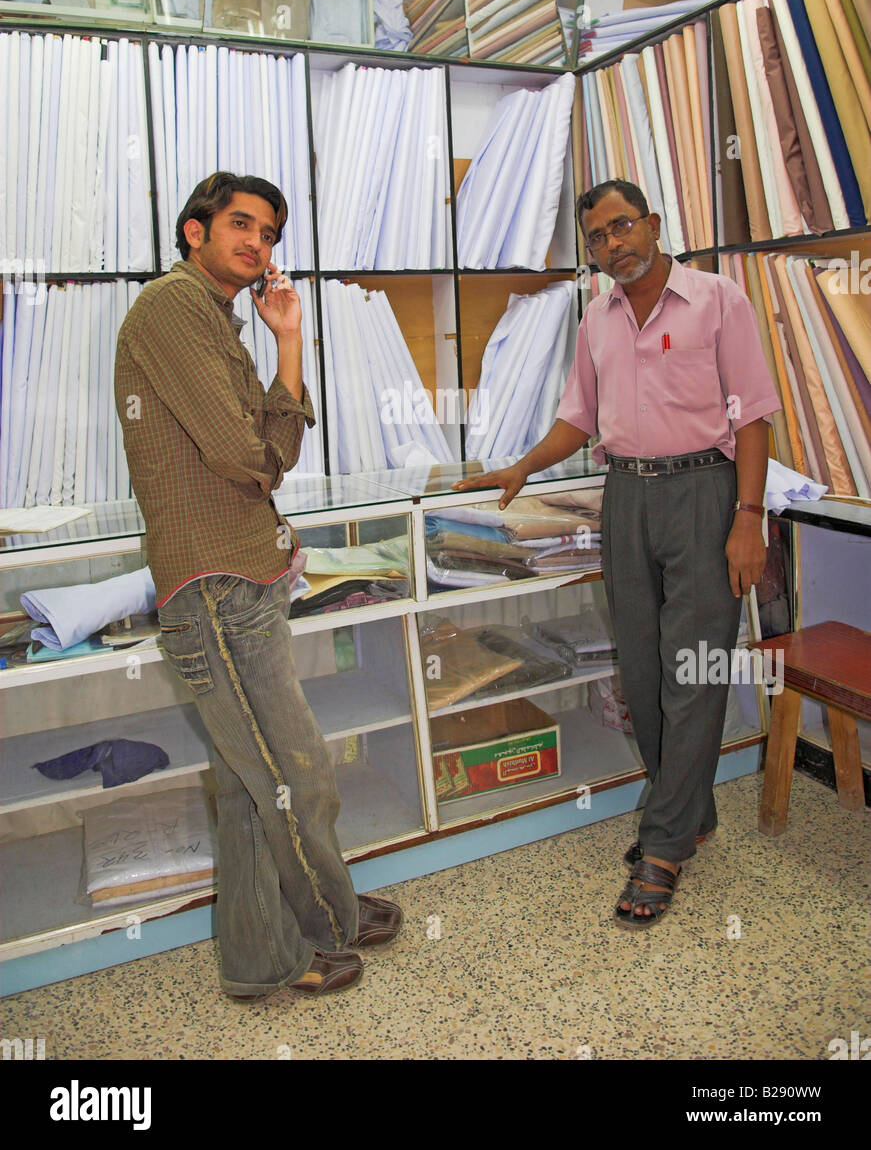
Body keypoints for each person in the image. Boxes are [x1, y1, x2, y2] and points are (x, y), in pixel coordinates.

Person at [454, 179, 780, 929]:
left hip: (704, 492)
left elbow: (755, 414)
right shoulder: (593, 320)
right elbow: (577, 417)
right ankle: (690, 814)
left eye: (622, 227)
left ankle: (663, 847)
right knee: (642, 668)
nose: (613, 246)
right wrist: (521, 466)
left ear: (653, 225)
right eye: (597, 238)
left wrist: (746, 517)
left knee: (692, 671)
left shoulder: (716, 300)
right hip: (624, 496)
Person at [114, 170, 402, 997]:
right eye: (240, 224)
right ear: (193, 230)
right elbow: (249, 455)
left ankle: (294, 935)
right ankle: (296, 941)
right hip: (213, 584)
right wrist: (263, 465)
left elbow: (276, 445)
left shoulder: (219, 321)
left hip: (246, 571)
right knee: (289, 769)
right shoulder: (171, 307)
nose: (257, 243)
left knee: (259, 775)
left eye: (270, 234)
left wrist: (286, 342)